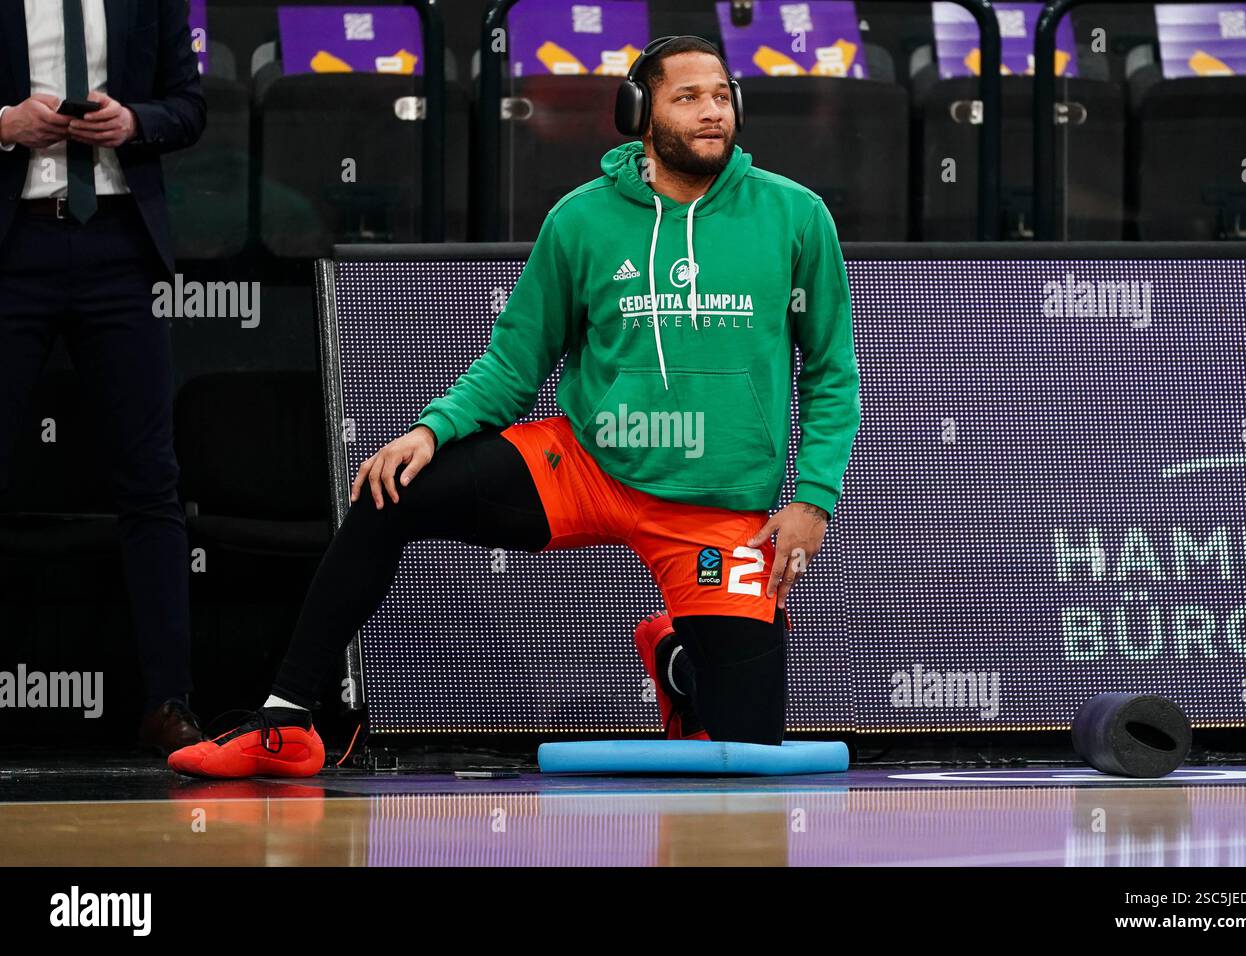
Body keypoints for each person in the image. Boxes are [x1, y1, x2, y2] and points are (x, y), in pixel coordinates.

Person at [168, 35, 860, 779]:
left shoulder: (796, 216)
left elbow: (831, 371)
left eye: (721, 96)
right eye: (687, 97)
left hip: (716, 507)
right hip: (590, 463)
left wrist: (813, 499)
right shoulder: (580, 220)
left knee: (747, 760)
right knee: (389, 491)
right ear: (640, 112)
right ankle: (287, 720)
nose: (712, 112)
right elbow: (514, 361)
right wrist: (433, 430)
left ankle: (680, 658)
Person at [0, 1, 206, 754]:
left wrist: (132, 123)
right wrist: (5, 125)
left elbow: (189, 107)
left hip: (119, 243)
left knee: (151, 482)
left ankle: (168, 705)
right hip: (11, 245)